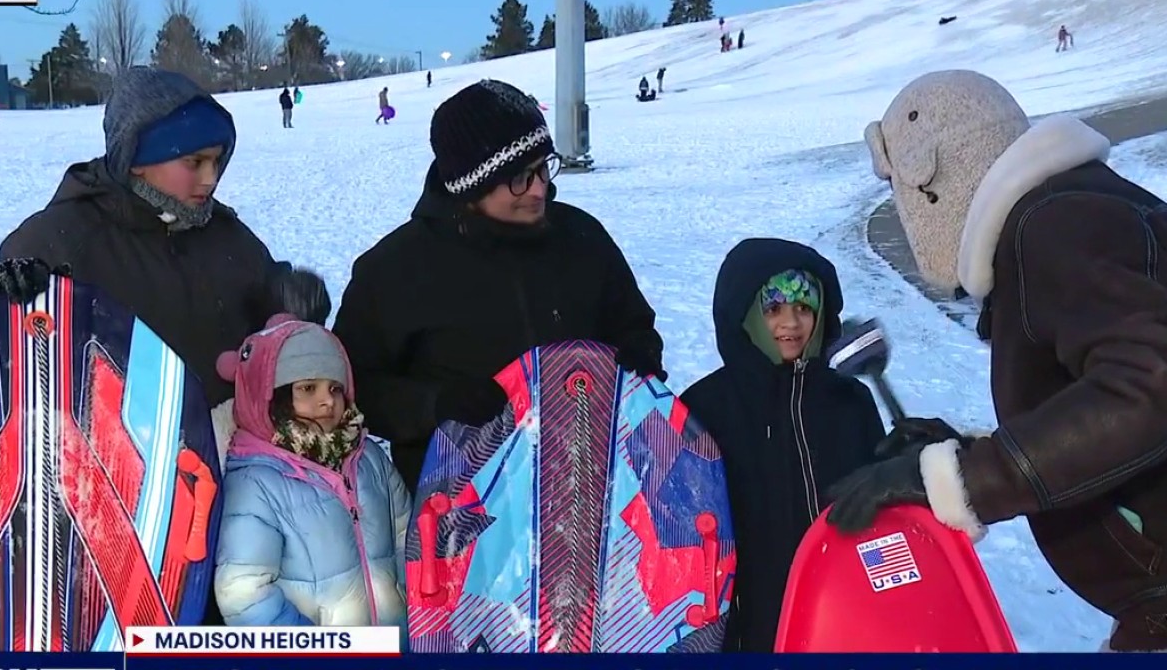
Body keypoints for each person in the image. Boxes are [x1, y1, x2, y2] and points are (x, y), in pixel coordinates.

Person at [839, 69, 1167, 653]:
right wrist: (961, 454)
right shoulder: (1079, 210)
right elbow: (1100, 393)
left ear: (930, 181)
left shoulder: (1052, 227)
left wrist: (967, 481)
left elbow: (1150, 383)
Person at [333, 78, 665, 491]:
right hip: (461, 511)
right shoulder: (393, 269)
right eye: (520, 177)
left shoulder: (582, 237)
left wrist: (641, 353)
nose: (540, 188)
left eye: (544, 168)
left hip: (589, 489)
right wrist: (435, 405)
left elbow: (631, 322)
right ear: (472, 184)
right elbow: (350, 385)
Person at [0, 66, 330, 412]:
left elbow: (271, 315)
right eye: (195, 162)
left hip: (225, 453)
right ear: (136, 159)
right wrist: (7, 296)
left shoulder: (225, 234)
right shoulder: (63, 239)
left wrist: (290, 297)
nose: (211, 179)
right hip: (113, 460)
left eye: (217, 162)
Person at [681, 238, 886, 652]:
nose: (791, 324)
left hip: (846, 606)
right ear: (744, 315)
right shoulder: (704, 410)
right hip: (752, 619)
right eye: (773, 309)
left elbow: (883, 498)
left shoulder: (849, 401)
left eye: (804, 308)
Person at [213, 314, 409, 628]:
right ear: (271, 398)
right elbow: (243, 591)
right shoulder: (256, 482)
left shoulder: (368, 457)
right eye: (307, 388)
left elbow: (405, 534)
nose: (326, 401)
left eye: (335, 388)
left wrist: (410, 606)